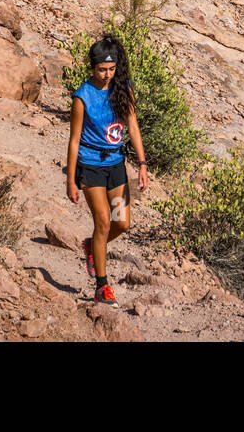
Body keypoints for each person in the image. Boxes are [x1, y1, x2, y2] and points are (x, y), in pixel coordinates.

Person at [66, 35, 148, 306]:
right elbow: (74, 139)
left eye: (111, 70)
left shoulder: (122, 88)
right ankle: (102, 286)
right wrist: (71, 181)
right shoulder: (82, 96)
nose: (106, 75)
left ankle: (92, 246)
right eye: (102, 69)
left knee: (121, 223)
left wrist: (143, 165)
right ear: (93, 67)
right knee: (102, 222)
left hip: (115, 164)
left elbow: (132, 127)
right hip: (90, 165)